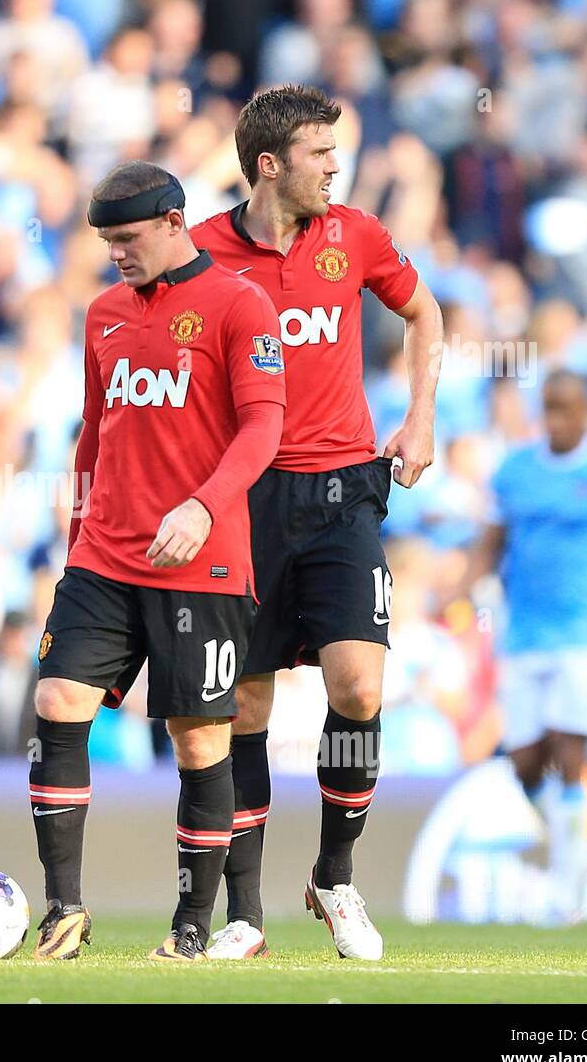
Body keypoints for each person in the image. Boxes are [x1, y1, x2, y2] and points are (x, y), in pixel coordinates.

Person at [190, 84, 444, 960]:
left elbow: (424, 312)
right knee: (245, 704)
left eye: (337, 154)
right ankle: (246, 917)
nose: (336, 168)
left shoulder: (356, 236)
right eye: (320, 155)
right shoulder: (201, 255)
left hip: (343, 488)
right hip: (248, 498)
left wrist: (420, 417)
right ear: (270, 165)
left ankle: (336, 877)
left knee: (359, 688)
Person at [30, 160, 285, 962]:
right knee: (58, 702)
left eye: (130, 238)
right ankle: (64, 911)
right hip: (105, 558)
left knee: (200, 743)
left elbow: (262, 430)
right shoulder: (103, 314)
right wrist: (75, 541)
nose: (117, 255)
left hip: (200, 566)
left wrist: (203, 505)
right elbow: (92, 433)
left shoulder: (242, 306)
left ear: (175, 222)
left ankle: (188, 929)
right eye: (107, 242)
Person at [469, 370, 587, 921]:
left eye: (565, 409)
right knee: (525, 764)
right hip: (524, 634)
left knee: (569, 750)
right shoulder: (515, 472)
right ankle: (579, 848)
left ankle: (567, 890)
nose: (554, 419)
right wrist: (463, 588)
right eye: (547, 407)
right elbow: (491, 544)